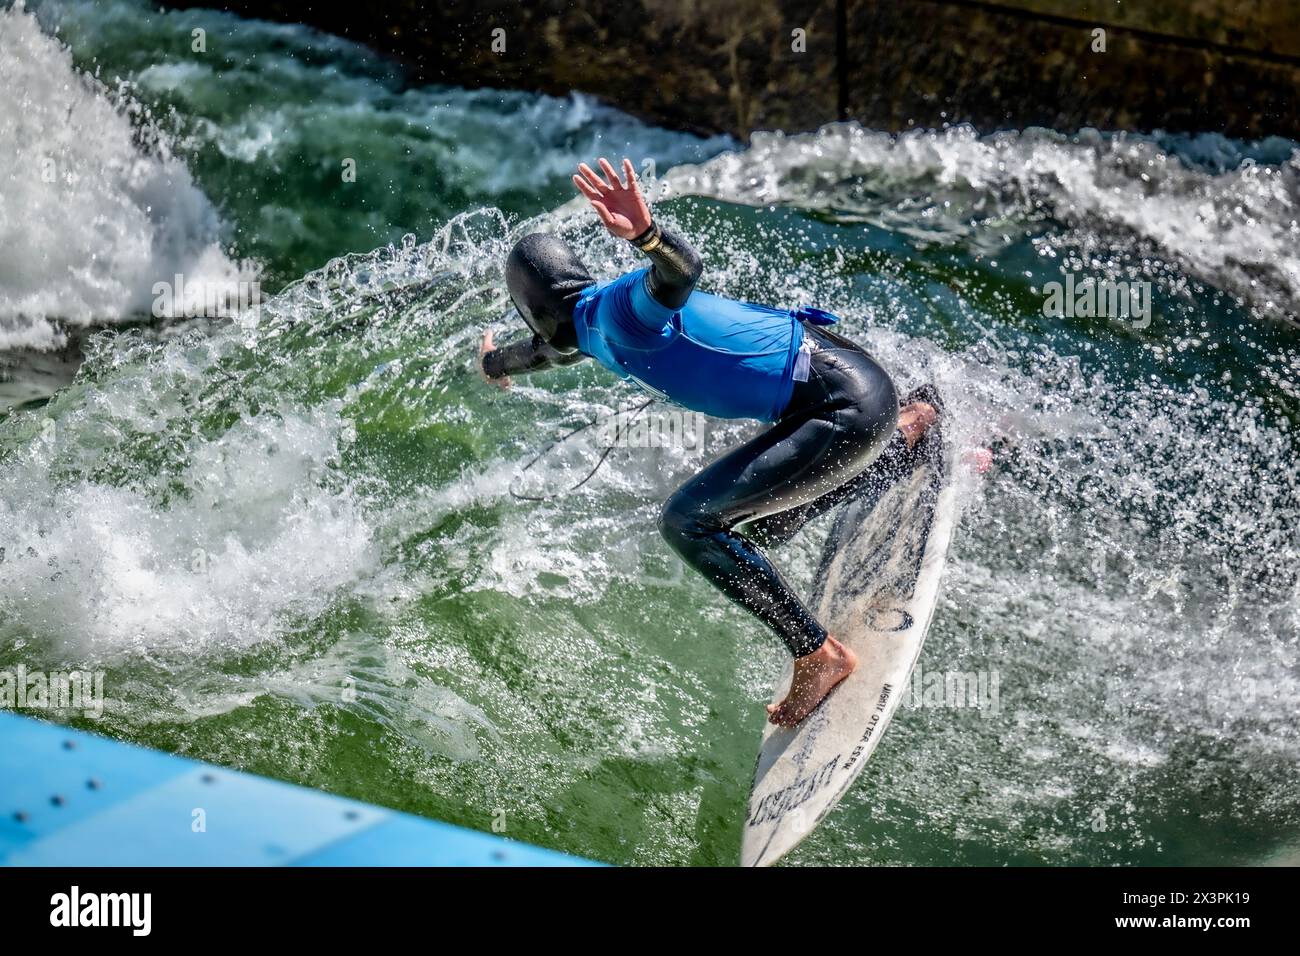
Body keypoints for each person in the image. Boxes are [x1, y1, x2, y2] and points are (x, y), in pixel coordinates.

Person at [479, 157, 941, 726]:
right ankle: (904, 436)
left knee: (688, 523)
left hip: (844, 403)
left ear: (536, 311)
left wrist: (648, 237)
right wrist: (495, 362)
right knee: (765, 529)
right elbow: (544, 352)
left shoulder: (621, 313)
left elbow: (680, 272)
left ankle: (818, 655)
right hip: (842, 382)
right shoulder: (583, 327)